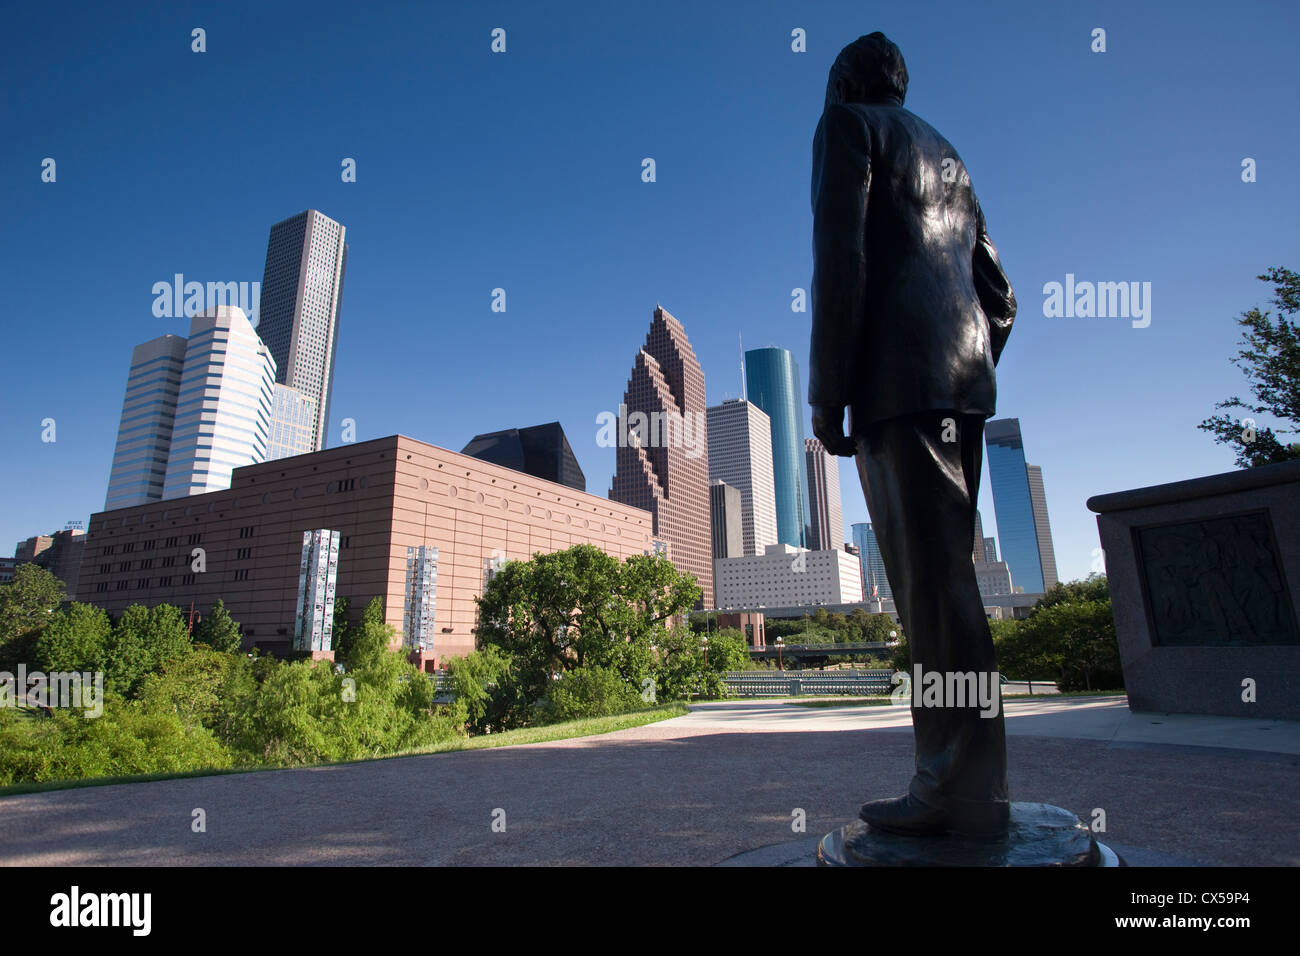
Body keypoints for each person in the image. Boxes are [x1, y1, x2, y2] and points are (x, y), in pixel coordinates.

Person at [809, 32, 1018, 838]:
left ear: (847, 84)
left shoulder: (847, 128)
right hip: (963, 384)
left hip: (900, 386)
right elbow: (999, 297)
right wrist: (964, 361)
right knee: (948, 584)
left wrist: (829, 393)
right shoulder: (952, 155)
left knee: (934, 592)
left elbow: (842, 258)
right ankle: (967, 785)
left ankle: (955, 787)